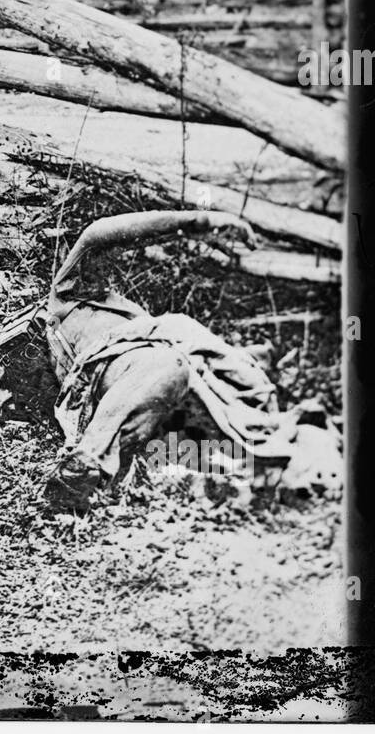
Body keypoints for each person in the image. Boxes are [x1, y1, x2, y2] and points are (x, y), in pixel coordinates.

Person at [27, 209, 331, 511]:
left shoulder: (126, 309)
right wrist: (201, 222)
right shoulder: (66, 299)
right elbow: (100, 233)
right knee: (170, 365)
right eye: (94, 262)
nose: (100, 267)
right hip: (120, 376)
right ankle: (82, 468)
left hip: (173, 392)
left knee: (259, 418)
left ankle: (280, 474)